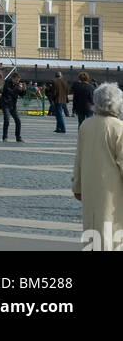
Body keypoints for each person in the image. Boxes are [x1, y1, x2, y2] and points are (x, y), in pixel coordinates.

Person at [72, 82, 123, 250]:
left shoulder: (85, 125)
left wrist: (77, 186)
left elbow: (79, 159)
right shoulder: (118, 127)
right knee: (112, 232)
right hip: (113, 192)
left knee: (93, 229)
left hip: (90, 188)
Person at [0, 70, 25, 142]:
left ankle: (18, 137)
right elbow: (9, 91)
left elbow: (22, 95)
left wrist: (23, 89)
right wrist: (17, 89)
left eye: (18, 80)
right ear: (13, 78)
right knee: (7, 120)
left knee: (18, 121)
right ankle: (5, 137)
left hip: (13, 106)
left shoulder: (17, 85)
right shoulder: (7, 83)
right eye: (16, 80)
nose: (17, 81)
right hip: (6, 104)